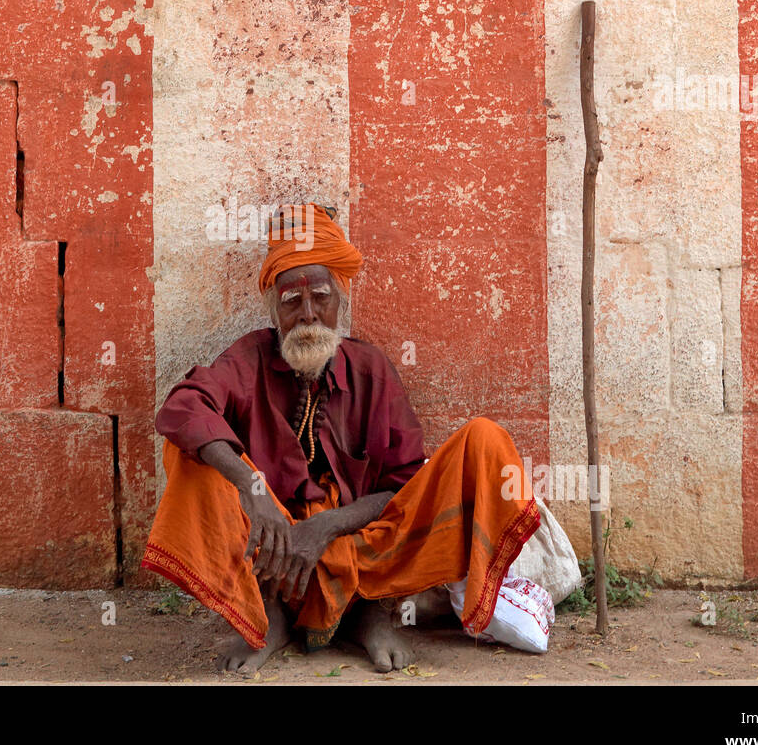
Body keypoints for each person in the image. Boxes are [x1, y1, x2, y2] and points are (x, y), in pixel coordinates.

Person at [141, 203, 540, 674]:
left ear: (341, 300)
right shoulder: (247, 358)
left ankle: (372, 614)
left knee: (485, 441)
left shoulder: (371, 369)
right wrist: (254, 493)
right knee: (190, 453)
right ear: (274, 307)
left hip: (364, 549)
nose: (308, 314)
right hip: (273, 551)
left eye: (321, 298)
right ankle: (268, 620)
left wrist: (327, 526)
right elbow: (184, 406)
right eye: (292, 300)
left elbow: (403, 488)